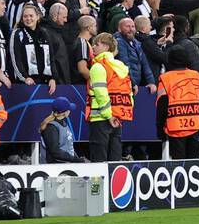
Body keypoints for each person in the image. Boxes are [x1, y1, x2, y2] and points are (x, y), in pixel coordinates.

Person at [88, 32, 131, 162]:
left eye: (97, 44)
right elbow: (129, 94)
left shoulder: (98, 66)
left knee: (98, 161)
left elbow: (101, 93)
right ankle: (113, 183)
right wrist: (118, 115)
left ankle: (97, 184)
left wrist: (108, 115)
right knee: (115, 160)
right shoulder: (121, 67)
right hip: (117, 118)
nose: (93, 47)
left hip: (101, 117)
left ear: (106, 47)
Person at [157, 48, 199, 159]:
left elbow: (162, 105)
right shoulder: (195, 75)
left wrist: (160, 127)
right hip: (194, 125)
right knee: (193, 163)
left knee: (179, 165)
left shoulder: (165, 78)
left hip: (174, 127)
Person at [40, 98, 88, 163]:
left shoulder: (64, 124)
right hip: (56, 166)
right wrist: (75, 159)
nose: (70, 111)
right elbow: (55, 152)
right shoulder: (51, 127)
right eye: (68, 109)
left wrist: (77, 159)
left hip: (66, 163)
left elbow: (68, 147)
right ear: (64, 112)